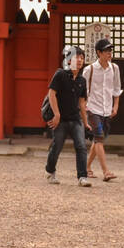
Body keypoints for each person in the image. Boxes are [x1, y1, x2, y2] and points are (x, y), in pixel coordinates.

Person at [46, 45, 91, 187]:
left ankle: (82, 176)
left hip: (75, 119)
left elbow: (82, 103)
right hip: (61, 119)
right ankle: (50, 170)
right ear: (69, 60)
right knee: (57, 146)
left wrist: (86, 122)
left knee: (81, 146)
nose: (79, 60)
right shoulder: (60, 74)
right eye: (76, 57)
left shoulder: (82, 81)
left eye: (82, 58)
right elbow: (51, 94)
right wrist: (57, 114)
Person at [84, 39, 122, 182]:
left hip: (107, 110)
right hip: (93, 109)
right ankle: (106, 171)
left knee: (97, 139)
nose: (109, 54)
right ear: (99, 53)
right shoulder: (90, 70)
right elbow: (83, 92)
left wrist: (116, 106)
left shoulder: (115, 68)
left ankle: (86, 167)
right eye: (106, 51)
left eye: (110, 51)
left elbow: (117, 89)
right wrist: (84, 109)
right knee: (99, 138)